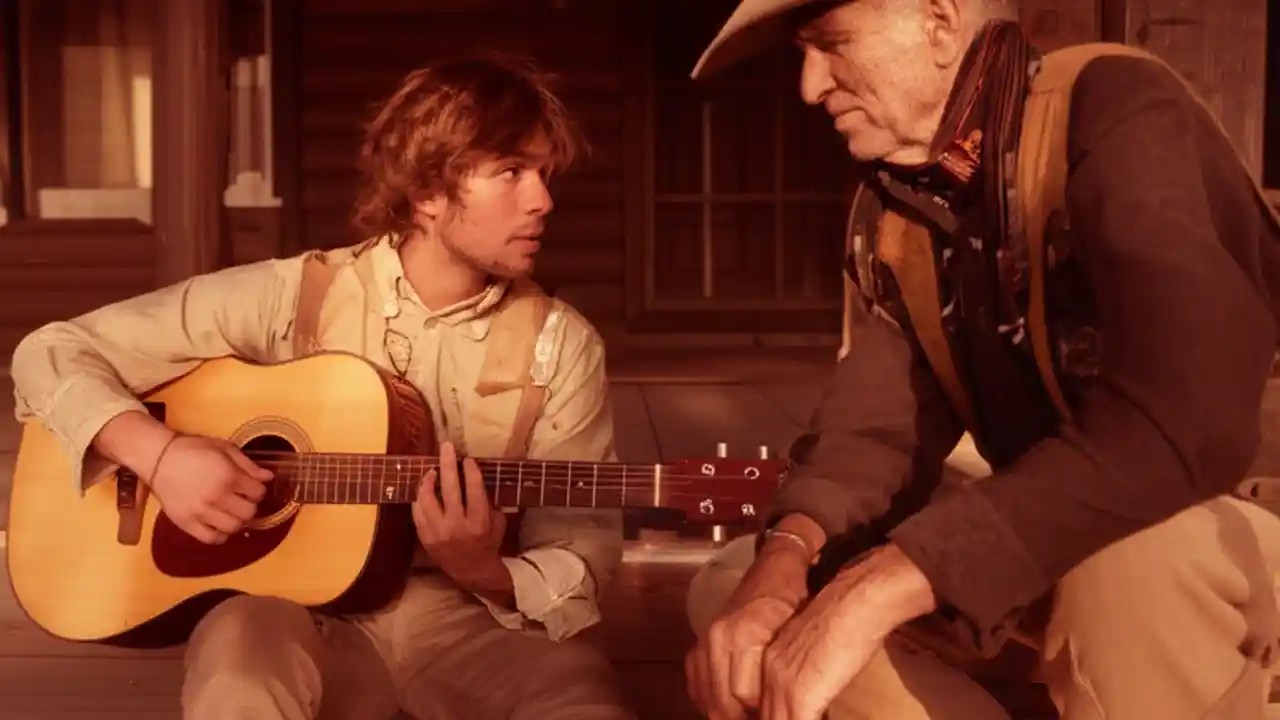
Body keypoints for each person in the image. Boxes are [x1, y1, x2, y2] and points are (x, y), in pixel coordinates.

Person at [682, 1, 1280, 719]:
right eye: (801, 56)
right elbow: (871, 440)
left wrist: (884, 585)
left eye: (831, 44)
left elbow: (1188, 423)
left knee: (1127, 560)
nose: (810, 86)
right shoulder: (903, 208)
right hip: (1058, 539)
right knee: (733, 602)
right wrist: (783, 562)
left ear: (938, 22)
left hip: (1227, 539)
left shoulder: (1117, 109)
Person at [10, 54, 634, 720]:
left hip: (464, 621)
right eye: (511, 171)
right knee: (240, 673)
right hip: (289, 611)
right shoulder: (294, 296)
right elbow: (51, 352)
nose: (543, 199)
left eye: (542, 173)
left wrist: (484, 568)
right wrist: (160, 454)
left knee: (583, 704)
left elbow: (583, 550)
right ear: (427, 192)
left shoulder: (559, 344)